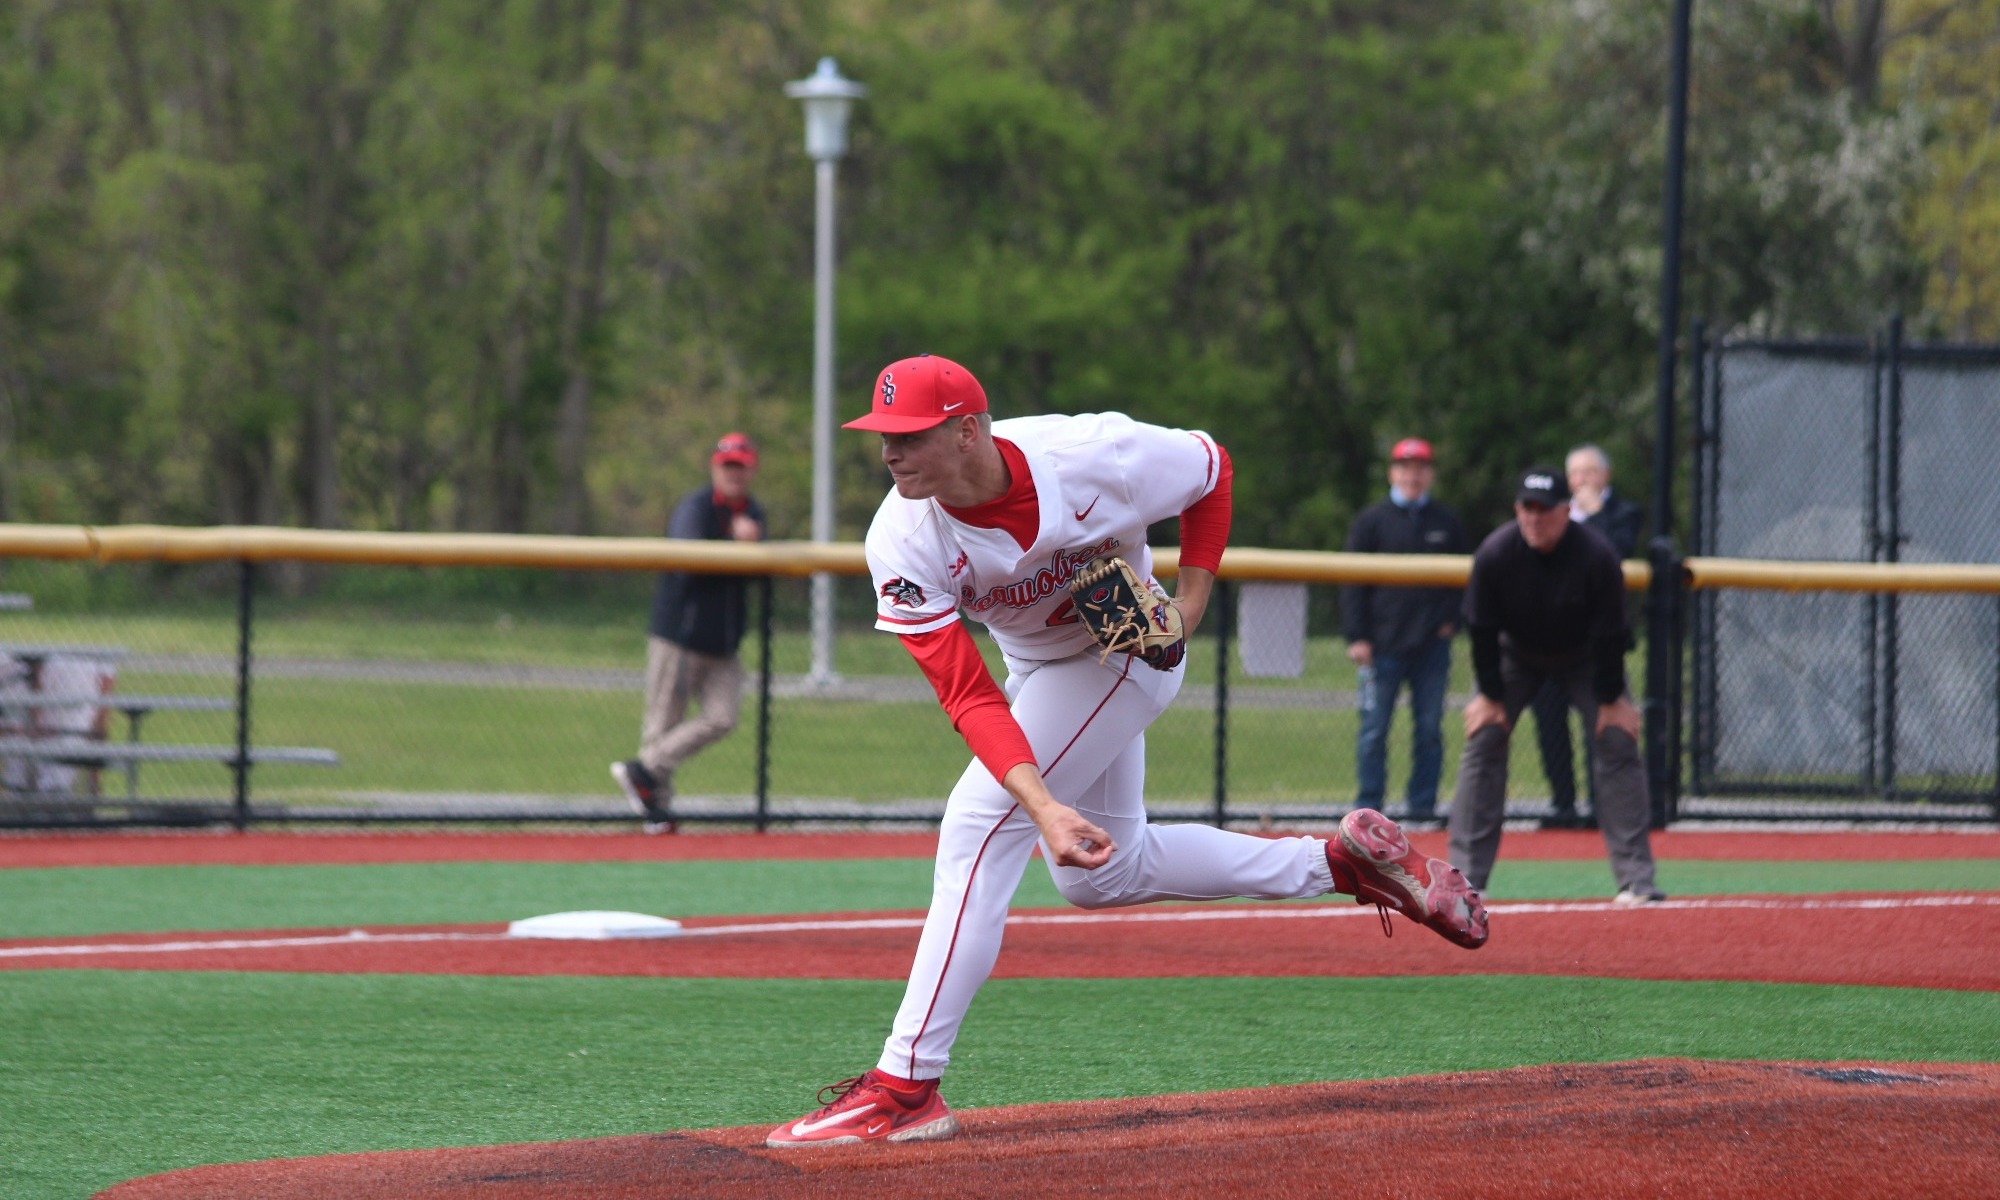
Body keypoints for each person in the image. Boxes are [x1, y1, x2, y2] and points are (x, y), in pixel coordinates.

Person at [767, 354, 1488, 1148]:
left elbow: (1213, 470)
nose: (890, 453)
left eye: (910, 435)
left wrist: (1192, 598)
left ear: (968, 431)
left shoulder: (1095, 456)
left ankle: (905, 1086)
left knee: (978, 823)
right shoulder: (903, 537)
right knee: (1107, 874)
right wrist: (1046, 806)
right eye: (883, 436)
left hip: (1126, 651)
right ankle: (1342, 865)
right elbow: (969, 695)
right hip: (1038, 667)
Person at [1445, 466, 1663, 905]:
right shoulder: (1496, 552)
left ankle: (1637, 880)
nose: (1535, 518)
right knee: (1484, 736)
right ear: (1517, 510)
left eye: (1546, 509)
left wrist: (1609, 701)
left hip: (1586, 656)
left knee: (1617, 739)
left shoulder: (1596, 555)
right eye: (1528, 507)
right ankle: (1465, 879)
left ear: (1567, 512)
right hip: (1515, 653)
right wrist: (1489, 696)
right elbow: (1482, 629)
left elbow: (1611, 634)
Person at [611, 432, 765, 831]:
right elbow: (688, 562)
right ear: (715, 467)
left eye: (741, 466)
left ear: (751, 470)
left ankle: (644, 770)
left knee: (723, 717)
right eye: (727, 465)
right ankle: (656, 813)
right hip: (680, 637)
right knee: (662, 722)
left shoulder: (754, 512)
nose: (734, 473)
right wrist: (735, 542)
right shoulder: (695, 508)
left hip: (723, 643)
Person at [1339, 438, 1468, 825]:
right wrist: (1357, 636)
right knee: (1374, 731)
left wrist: (1452, 622)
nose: (1413, 475)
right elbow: (1350, 583)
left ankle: (1421, 808)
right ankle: (1368, 809)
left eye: (1420, 467)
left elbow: (1465, 580)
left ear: (1429, 474)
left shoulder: (1446, 523)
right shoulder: (1371, 521)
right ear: (1392, 472)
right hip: (1382, 645)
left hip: (1431, 646)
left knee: (1429, 730)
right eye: (1405, 467)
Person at [1531, 444, 1644, 830]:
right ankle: (1563, 804)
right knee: (1549, 723)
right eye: (1575, 473)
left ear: (1605, 476)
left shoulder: (1622, 514)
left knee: (1602, 726)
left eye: (1589, 472)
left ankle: (1602, 807)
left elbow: (1614, 552)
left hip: (1596, 644)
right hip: (1549, 640)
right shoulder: (1550, 516)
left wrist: (1594, 513)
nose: (1581, 480)